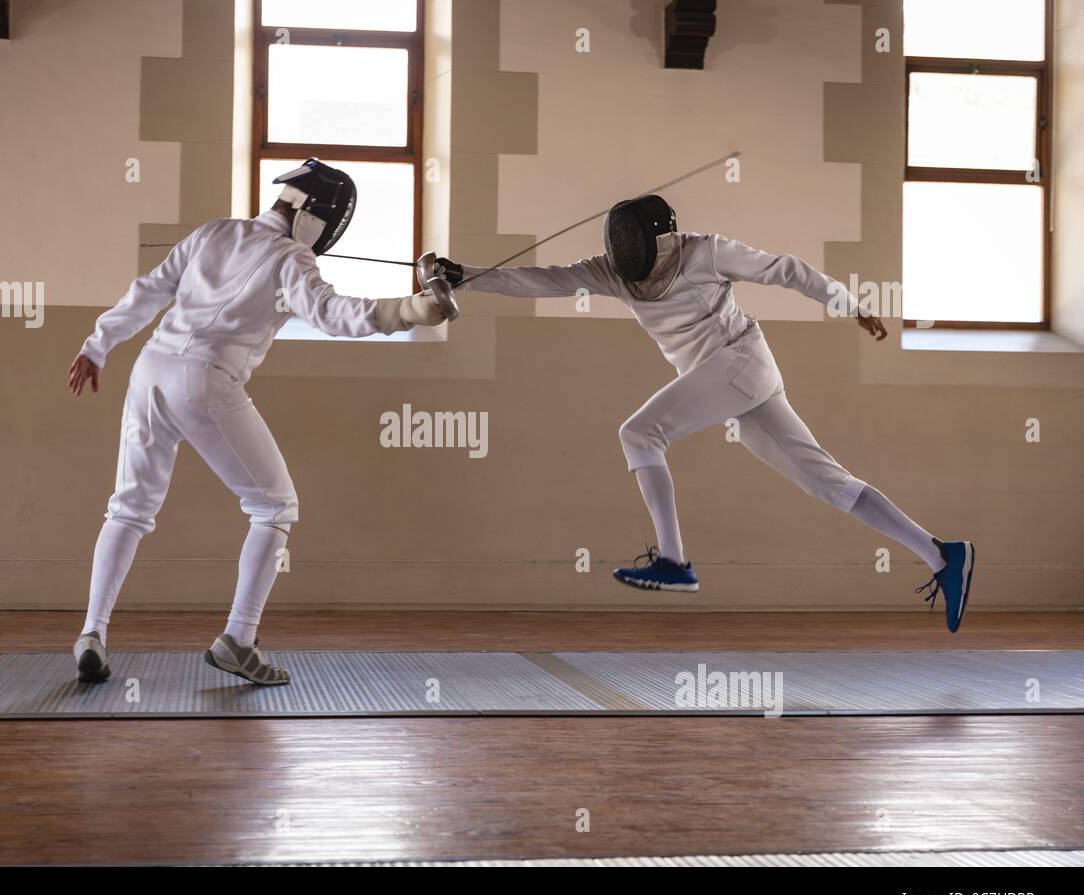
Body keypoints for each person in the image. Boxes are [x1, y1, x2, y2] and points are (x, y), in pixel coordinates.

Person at [438, 195, 974, 632]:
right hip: (734, 381)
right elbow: (546, 279)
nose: (637, 270)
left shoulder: (707, 252)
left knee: (639, 433)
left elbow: (785, 269)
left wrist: (848, 302)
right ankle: (941, 555)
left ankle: (674, 561)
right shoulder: (615, 272)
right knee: (829, 484)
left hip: (738, 364)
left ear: (664, 241)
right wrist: (465, 274)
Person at [67, 159, 448, 684]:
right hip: (204, 381)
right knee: (274, 507)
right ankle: (238, 640)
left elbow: (148, 290)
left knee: (129, 508)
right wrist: (404, 312)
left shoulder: (214, 232)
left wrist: (97, 346)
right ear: (320, 218)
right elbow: (331, 314)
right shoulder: (291, 260)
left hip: (148, 373)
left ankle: (92, 632)